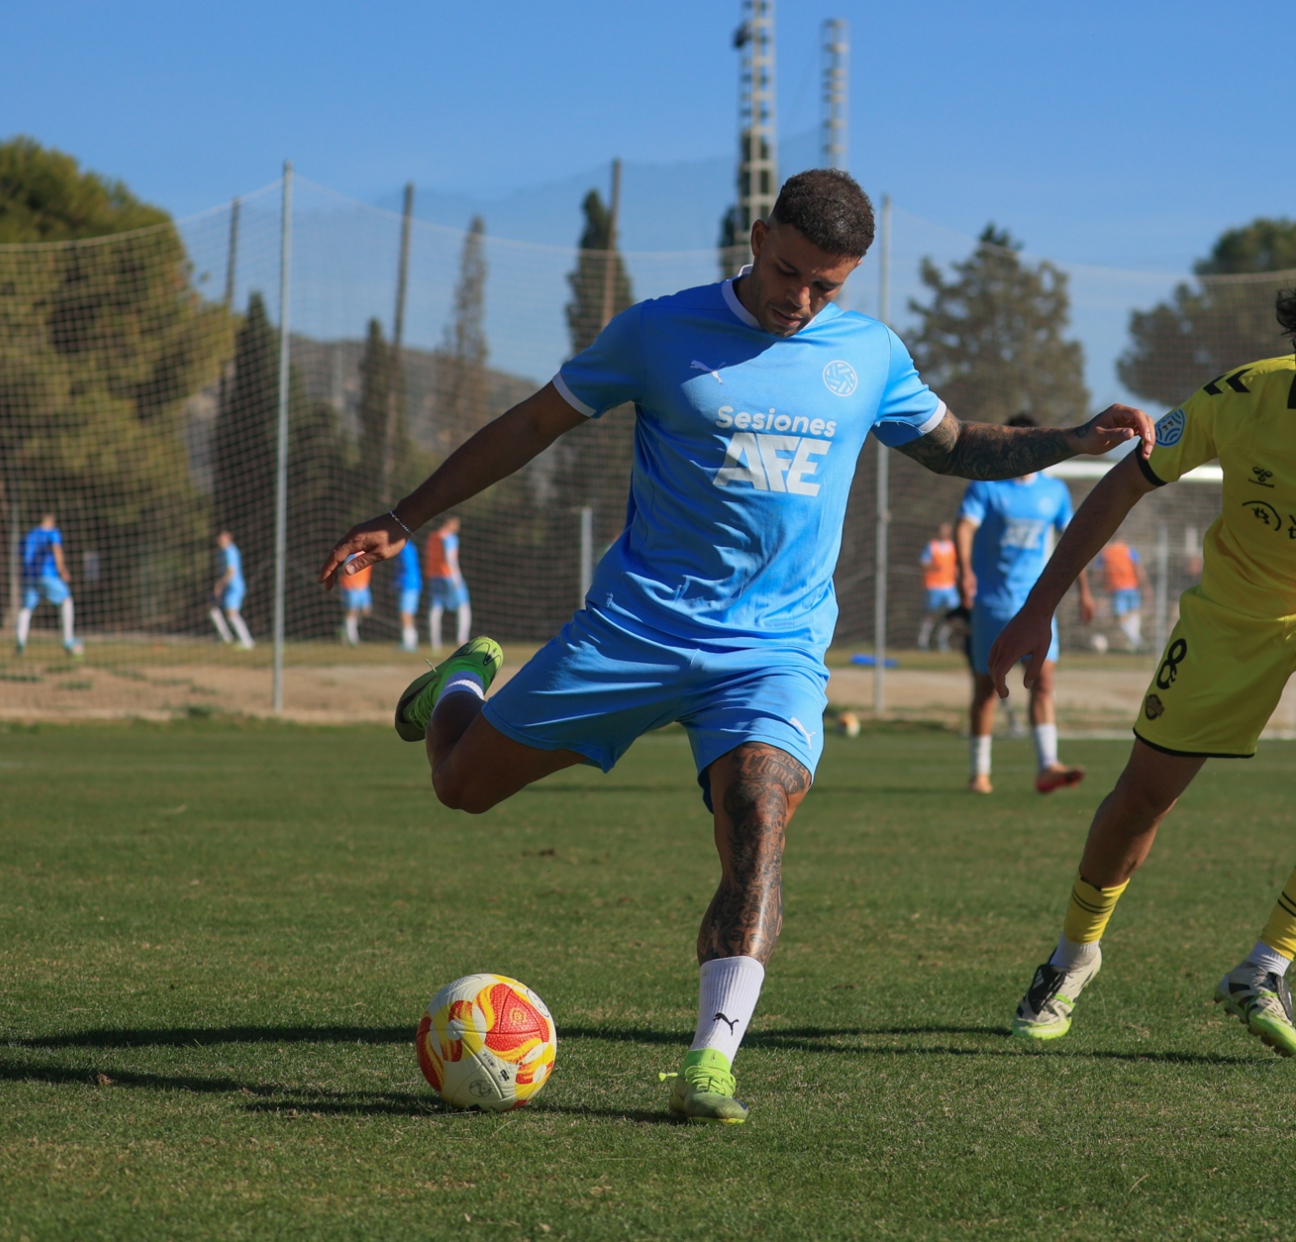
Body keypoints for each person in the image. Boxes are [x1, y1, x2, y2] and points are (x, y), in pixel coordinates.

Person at [318, 169, 1151, 1124]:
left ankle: (709, 1064)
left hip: (775, 649)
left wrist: (1076, 439)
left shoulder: (869, 354)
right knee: (460, 784)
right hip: (637, 627)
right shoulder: (657, 332)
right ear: (757, 236)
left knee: (758, 813)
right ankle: (462, 686)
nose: (801, 301)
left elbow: (956, 444)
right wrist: (405, 518)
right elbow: (533, 425)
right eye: (790, 272)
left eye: (827, 287)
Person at [991, 248, 1296, 1058]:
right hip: (1235, 609)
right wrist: (1037, 609)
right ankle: (1073, 955)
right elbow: (1125, 483)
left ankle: (1267, 965)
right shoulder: (1241, 398)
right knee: (1144, 795)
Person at [958, 415, 1089, 797]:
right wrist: (964, 571)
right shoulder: (987, 488)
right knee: (986, 687)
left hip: (1037, 606)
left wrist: (1083, 590)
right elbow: (964, 527)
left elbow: (1072, 541)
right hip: (992, 603)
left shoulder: (1054, 491)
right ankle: (979, 772)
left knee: (1043, 681)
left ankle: (1048, 765)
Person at [17, 513, 83, 657]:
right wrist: (62, 569)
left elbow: (21, 554)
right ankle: (68, 640)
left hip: (29, 576)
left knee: (26, 609)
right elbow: (56, 549)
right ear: (50, 520)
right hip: (47, 575)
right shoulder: (52, 533)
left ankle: (20, 642)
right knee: (66, 600)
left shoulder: (30, 534)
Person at [1083, 538, 1150, 651]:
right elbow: (1138, 568)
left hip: (1117, 588)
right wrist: (1145, 585)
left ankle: (1137, 642)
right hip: (1132, 586)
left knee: (1121, 617)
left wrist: (1097, 586)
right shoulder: (1128, 550)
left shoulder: (1105, 552)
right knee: (1133, 613)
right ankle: (1136, 643)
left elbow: (1097, 574)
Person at [426, 517, 472, 652]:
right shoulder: (450, 538)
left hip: (434, 576)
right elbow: (449, 557)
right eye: (456, 523)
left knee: (436, 607)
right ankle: (462, 639)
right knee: (464, 606)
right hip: (449, 576)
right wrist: (456, 577)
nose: (457, 527)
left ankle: (435, 642)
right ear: (448, 523)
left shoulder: (433, 536)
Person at [209, 530, 256, 650]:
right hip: (225, 587)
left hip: (234, 587)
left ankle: (247, 642)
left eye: (223, 536)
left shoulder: (231, 551)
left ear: (229, 537)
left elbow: (231, 571)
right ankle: (226, 637)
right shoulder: (220, 552)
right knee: (212, 608)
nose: (220, 538)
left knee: (232, 614)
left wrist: (220, 584)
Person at [917, 522, 960, 650]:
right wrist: (933, 567)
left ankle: (942, 640)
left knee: (953, 613)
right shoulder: (932, 546)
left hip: (949, 586)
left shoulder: (953, 547)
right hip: (934, 585)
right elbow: (923, 563)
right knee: (931, 614)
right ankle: (923, 641)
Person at [393, 537, 423, 652]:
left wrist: (397, 582)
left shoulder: (404, 547)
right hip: (413, 583)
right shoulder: (409, 546)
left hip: (408, 584)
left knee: (405, 614)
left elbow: (407, 567)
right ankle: (411, 642)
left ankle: (408, 643)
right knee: (408, 615)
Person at [339, 552, 372, 645]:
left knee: (366, 611)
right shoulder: (353, 554)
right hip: (351, 586)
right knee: (352, 611)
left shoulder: (370, 554)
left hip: (363, 587)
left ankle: (344, 628)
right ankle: (352, 638)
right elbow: (345, 569)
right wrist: (353, 584)